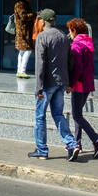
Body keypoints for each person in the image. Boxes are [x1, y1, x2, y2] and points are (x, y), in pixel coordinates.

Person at [28, 9, 81, 161]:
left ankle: (42, 150)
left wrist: (38, 87)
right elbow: (70, 61)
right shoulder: (63, 37)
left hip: (47, 84)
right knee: (58, 114)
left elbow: (40, 64)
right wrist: (69, 82)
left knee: (40, 116)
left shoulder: (42, 37)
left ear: (43, 21)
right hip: (61, 82)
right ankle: (72, 144)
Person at [67, 18, 98, 158]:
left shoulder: (77, 46)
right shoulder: (88, 43)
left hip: (79, 85)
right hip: (88, 84)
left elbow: (77, 68)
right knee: (78, 114)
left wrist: (71, 84)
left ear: (74, 30)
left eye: (70, 31)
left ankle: (96, 140)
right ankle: (77, 143)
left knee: (76, 115)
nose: (69, 34)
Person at [12, 0, 37, 78]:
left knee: (22, 51)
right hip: (24, 31)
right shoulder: (21, 4)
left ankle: (19, 71)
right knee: (28, 50)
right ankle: (22, 71)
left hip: (22, 31)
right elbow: (23, 16)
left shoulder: (21, 3)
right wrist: (35, 14)